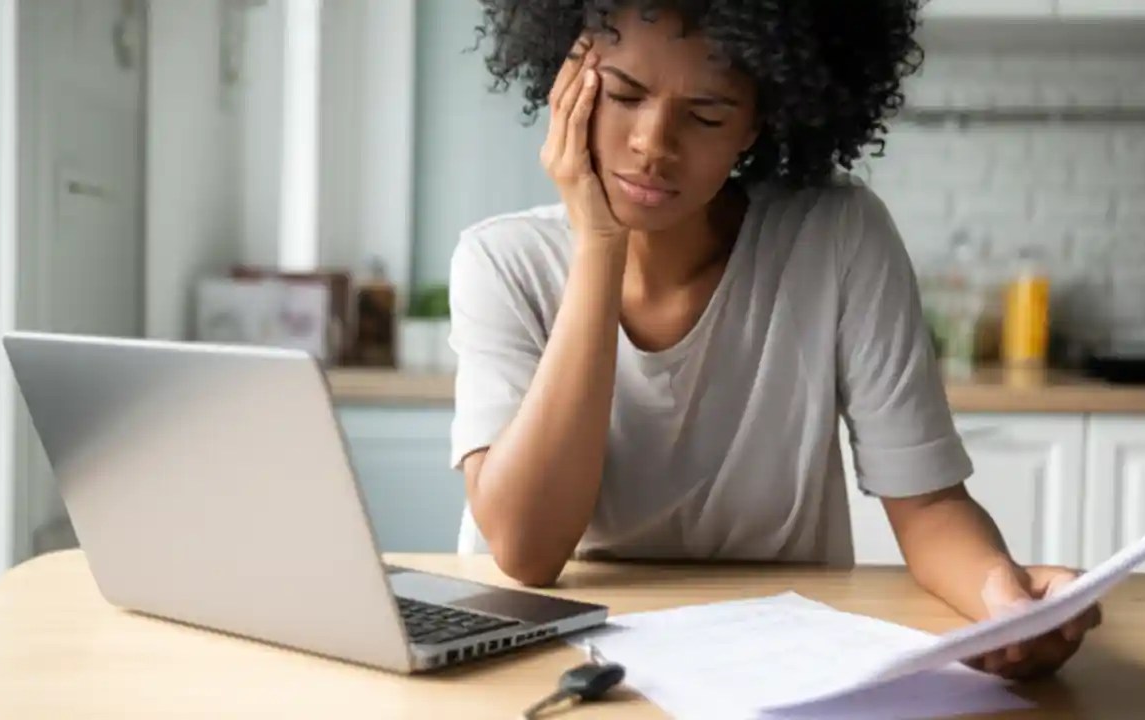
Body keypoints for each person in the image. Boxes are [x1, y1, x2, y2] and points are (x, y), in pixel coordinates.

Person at [448, 0, 1101, 680]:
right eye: (623, 94)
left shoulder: (837, 238)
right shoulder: (503, 262)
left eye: (706, 114)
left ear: (758, 123)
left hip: (778, 666)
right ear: (567, 83)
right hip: (558, 666)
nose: (653, 142)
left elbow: (931, 505)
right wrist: (601, 245)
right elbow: (528, 552)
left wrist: (1004, 597)